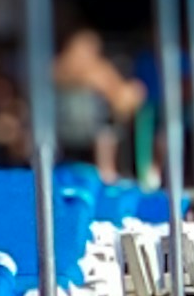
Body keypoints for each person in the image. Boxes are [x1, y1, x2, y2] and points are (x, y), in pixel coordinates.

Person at [53, 15, 138, 178]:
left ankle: (107, 173)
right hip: (67, 129)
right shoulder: (59, 68)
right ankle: (106, 172)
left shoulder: (100, 70)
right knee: (105, 130)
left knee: (108, 128)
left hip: (93, 129)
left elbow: (120, 97)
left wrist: (129, 95)